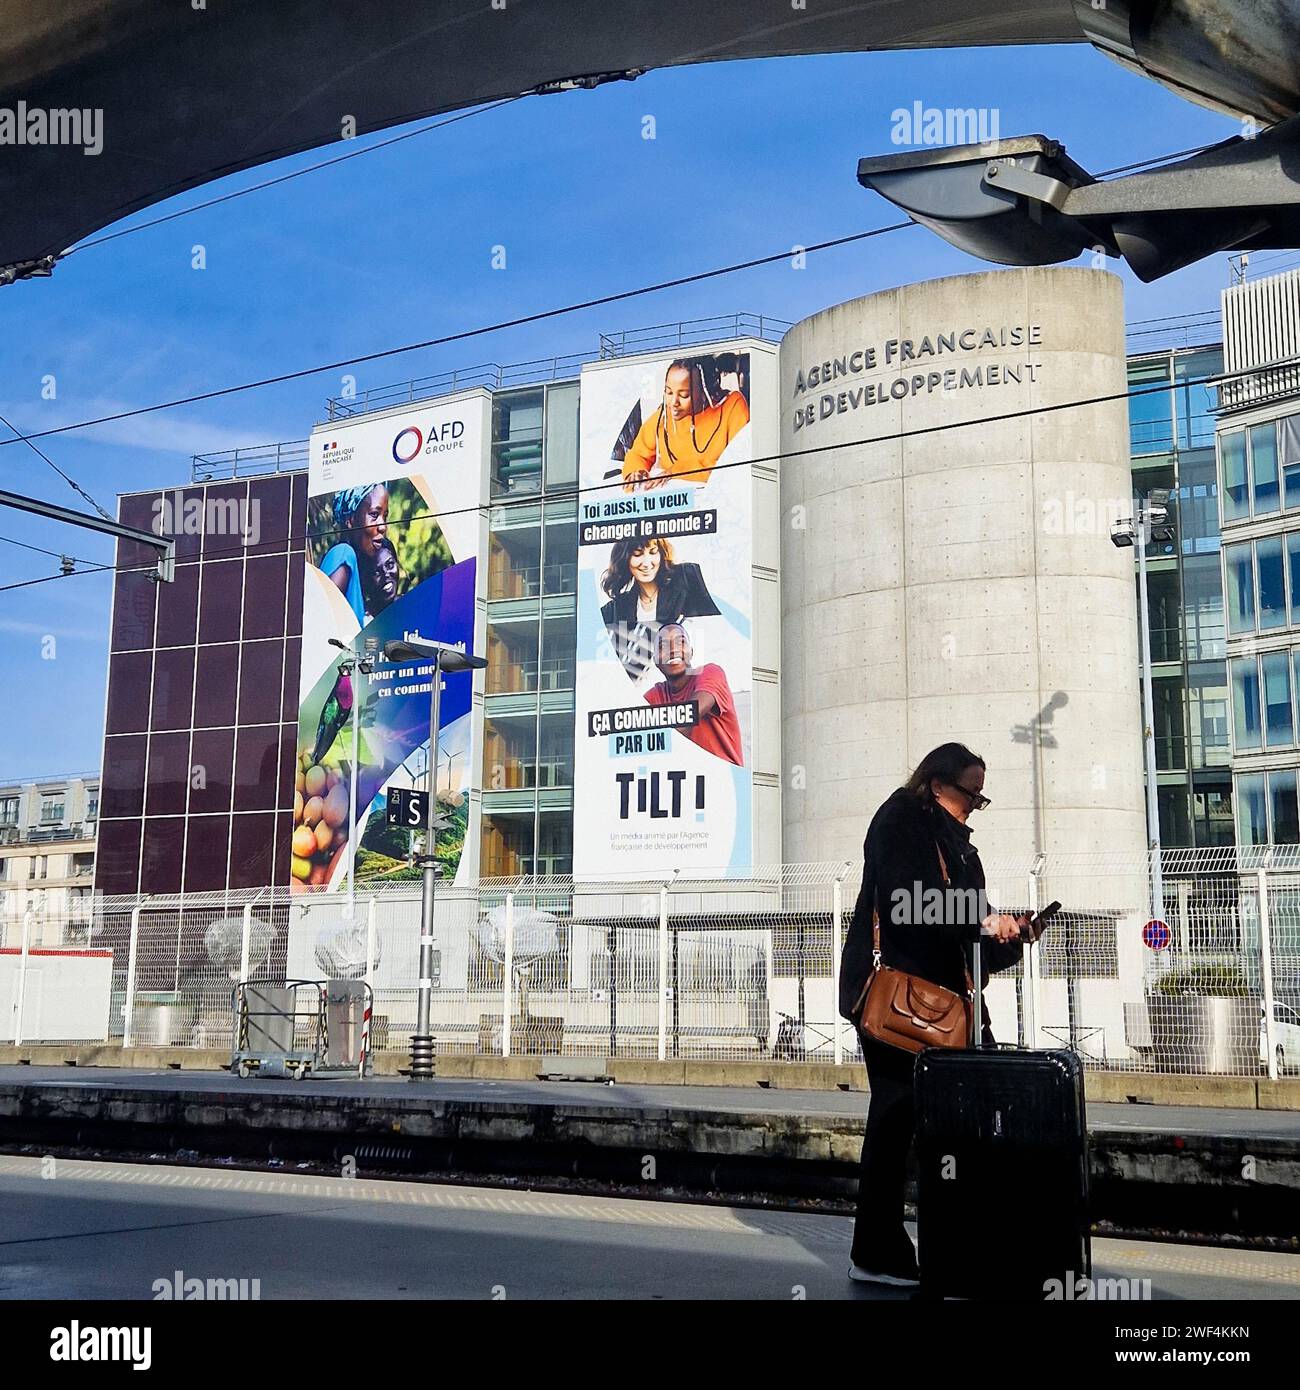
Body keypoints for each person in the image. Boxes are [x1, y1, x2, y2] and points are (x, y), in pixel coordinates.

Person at [838, 743, 1048, 1287]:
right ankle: (879, 1252)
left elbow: (966, 939)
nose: (974, 806)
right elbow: (910, 905)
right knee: (895, 1118)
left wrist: (1013, 936)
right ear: (936, 784)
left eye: (981, 798)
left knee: (961, 1123)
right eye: (969, 794)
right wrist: (985, 919)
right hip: (901, 1003)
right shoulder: (900, 819)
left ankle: (955, 1244)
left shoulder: (960, 848)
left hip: (952, 1005)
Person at [600, 537, 720, 679]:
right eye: (637, 554)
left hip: (692, 680)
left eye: (653, 552)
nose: (646, 563)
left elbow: (714, 628)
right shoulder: (614, 610)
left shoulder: (686, 579)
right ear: (625, 559)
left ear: (661, 554)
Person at [621, 359, 750, 491]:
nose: (673, 402)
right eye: (669, 392)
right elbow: (638, 453)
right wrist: (635, 471)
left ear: (706, 392)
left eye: (684, 395)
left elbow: (738, 463)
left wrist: (677, 471)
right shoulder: (665, 414)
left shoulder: (733, 405)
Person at [644, 623, 743, 766]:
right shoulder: (655, 696)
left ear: (691, 652)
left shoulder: (710, 673)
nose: (673, 650)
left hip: (723, 782)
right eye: (663, 646)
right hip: (684, 782)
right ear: (655, 660)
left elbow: (690, 714)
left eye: (680, 642)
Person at [319, 484, 389, 625]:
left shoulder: (356, 570)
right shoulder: (344, 554)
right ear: (350, 520)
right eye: (374, 515)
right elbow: (323, 621)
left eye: (385, 516)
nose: (383, 527)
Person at [361, 536, 402, 619]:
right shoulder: (362, 619)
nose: (385, 574)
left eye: (390, 565)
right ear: (366, 579)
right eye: (376, 572)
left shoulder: (414, 606)